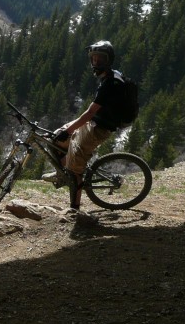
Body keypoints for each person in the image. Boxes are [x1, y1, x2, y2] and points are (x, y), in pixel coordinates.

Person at [49, 40, 127, 211]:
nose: (96, 62)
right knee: (55, 138)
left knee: (75, 170)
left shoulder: (110, 83)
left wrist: (69, 131)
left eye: (100, 59)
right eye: (94, 59)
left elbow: (90, 113)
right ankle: (62, 174)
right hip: (94, 121)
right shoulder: (111, 76)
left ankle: (74, 209)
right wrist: (66, 132)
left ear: (108, 60)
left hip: (99, 128)